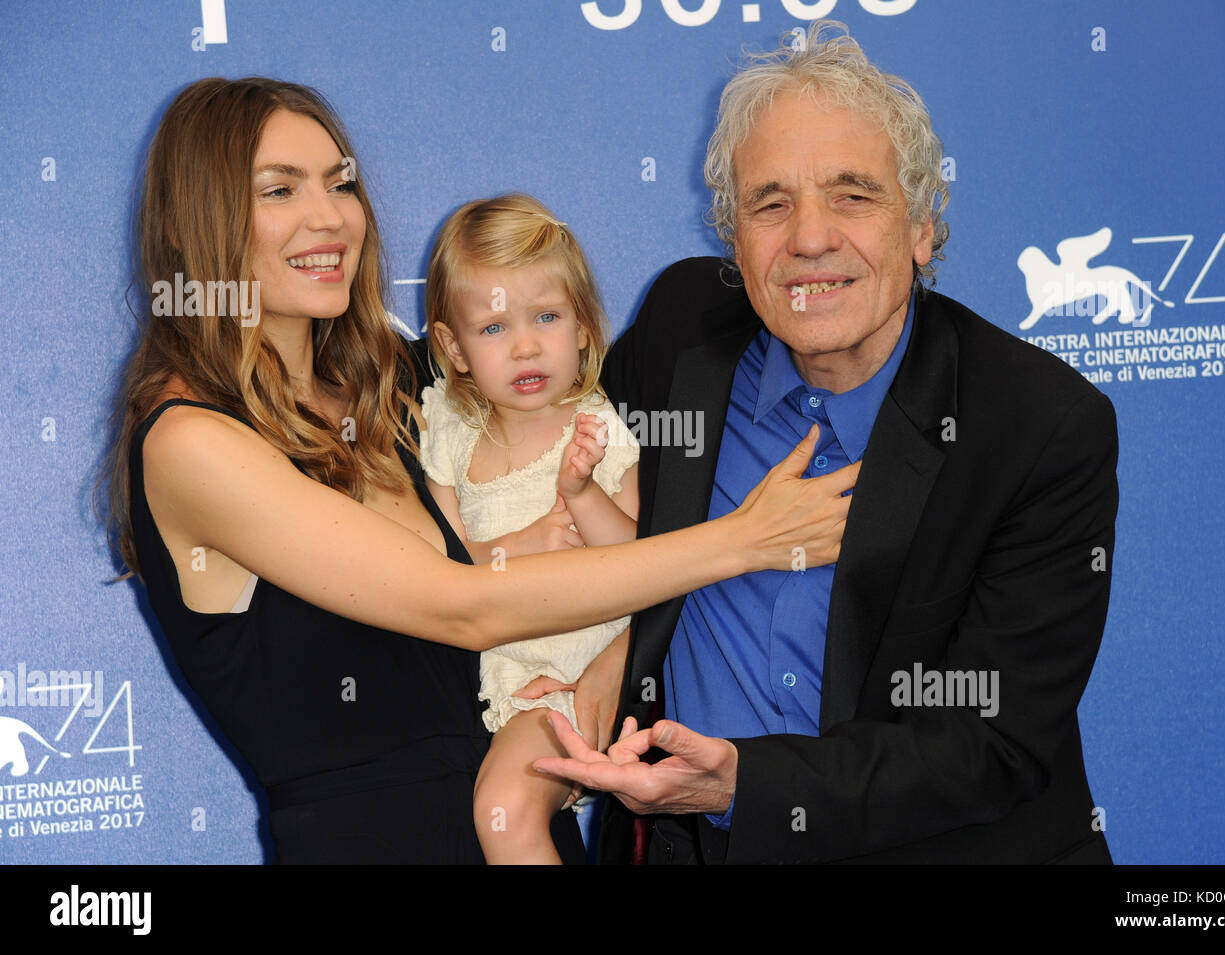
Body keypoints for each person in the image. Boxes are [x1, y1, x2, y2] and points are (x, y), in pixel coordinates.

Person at [101, 76, 859, 863]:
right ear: (199, 222)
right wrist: (744, 540)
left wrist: (612, 661)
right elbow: (467, 606)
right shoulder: (189, 442)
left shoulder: (402, 385)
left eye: (340, 182)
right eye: (279, 189)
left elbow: (571, 397)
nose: (328, 216)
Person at [535, 21, 1119, 865]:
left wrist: (746, 783)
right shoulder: (677, 336)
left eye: (852, 194)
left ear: (921, 227)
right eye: (771, 203)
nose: (809, 238)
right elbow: (502, 408)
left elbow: (991, 742)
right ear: (734, 240)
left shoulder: (1035, 424)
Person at [420, 194, 639, 863]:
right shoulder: (450, 434)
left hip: (592, 678)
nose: (525, 344)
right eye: (493, 328)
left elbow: (642, 562)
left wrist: (580, 495)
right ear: (452, 347)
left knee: (505, 813)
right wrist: (528, 543)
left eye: (547, 316)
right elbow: (438, 573)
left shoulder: (595, 425)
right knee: (486, 814)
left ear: (582, 328)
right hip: (509, 690)